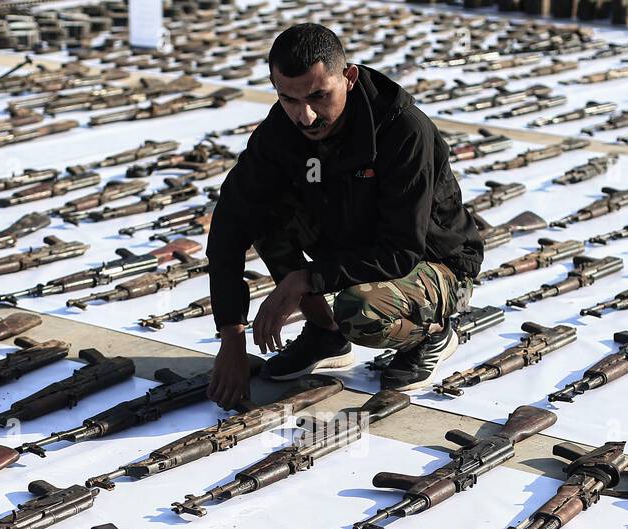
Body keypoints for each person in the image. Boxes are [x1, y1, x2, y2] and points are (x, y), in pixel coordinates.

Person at [206, 23, 484, 408]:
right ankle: (326, 335)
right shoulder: (281, 130)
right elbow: (230, 223)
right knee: (263, 219)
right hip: (354, 244)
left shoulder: (403, 131)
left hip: (434, 262)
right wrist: (231, 335)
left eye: (319, 96)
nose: (305, 116)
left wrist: (306, 279)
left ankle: (433, 333)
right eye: (287, 99)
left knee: (360, 309)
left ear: (349, 78)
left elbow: (401, 250)